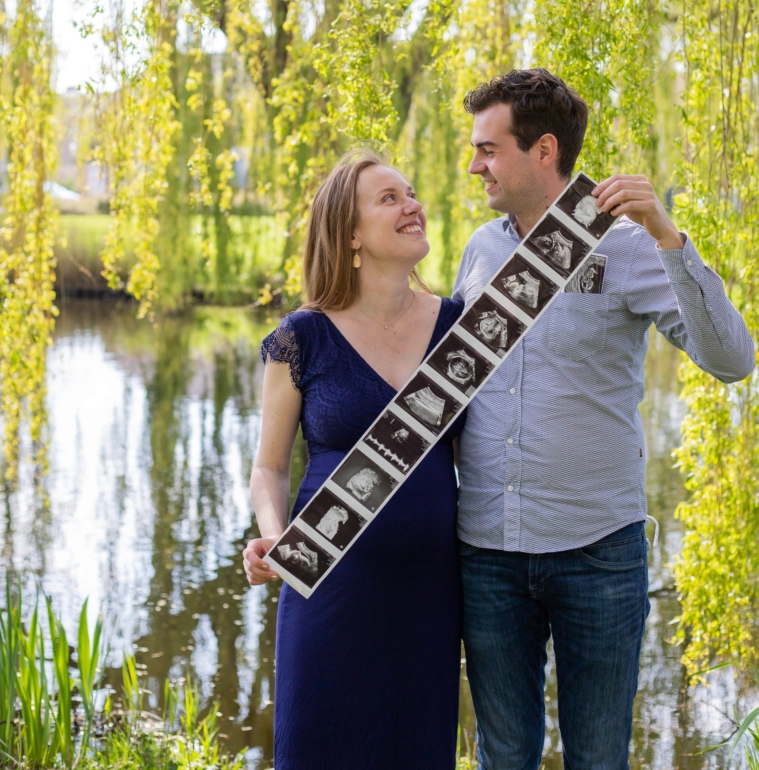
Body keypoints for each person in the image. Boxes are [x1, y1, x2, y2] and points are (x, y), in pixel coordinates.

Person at [454, 68, 754, 770]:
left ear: (544, 150)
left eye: (488, 150)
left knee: (597, 757)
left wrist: (667, 235)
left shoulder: (626, 244)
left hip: (597, 554)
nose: (474, 166)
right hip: (487, 551)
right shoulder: (481, 250)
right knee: (504, 755)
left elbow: (733, 361)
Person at [242, 150, 465, 770]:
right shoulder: (302, 336)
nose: (412, 205)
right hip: (328, 586)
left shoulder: (460, 327)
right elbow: (268, 468)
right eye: (389, 198)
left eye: (411, 193)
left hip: (429, 594)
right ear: (350, 235)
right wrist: (274, 537)